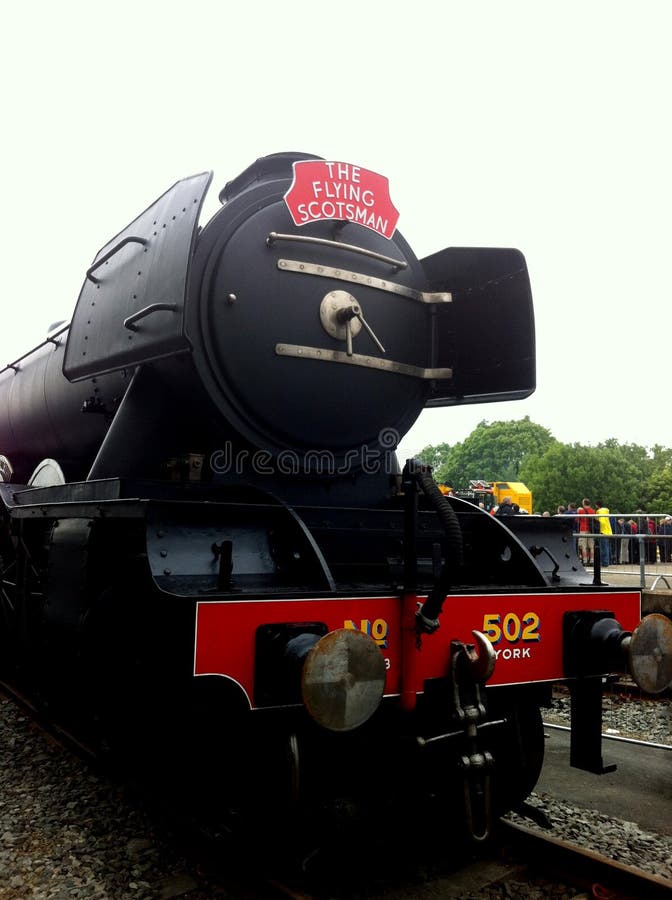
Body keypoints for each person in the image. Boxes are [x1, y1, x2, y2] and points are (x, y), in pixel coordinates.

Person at [576, 498, 595, 565]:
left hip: (583, 529)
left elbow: (577, 520)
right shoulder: (592, 511)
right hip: (591, 530)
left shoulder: (581, 511)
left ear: (584, 503)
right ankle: (592, 560)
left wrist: (578, 512)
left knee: (583, 546)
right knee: (591, 546)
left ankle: (585, 560)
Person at [594, 500, 612, 567]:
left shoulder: (599, 511)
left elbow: (597, 519)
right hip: (608, 530)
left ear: (597, 505)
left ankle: (605, 563)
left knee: (603, 547)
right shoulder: (606, 510)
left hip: (603, 530)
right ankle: (609, 561)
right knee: (607, 547)